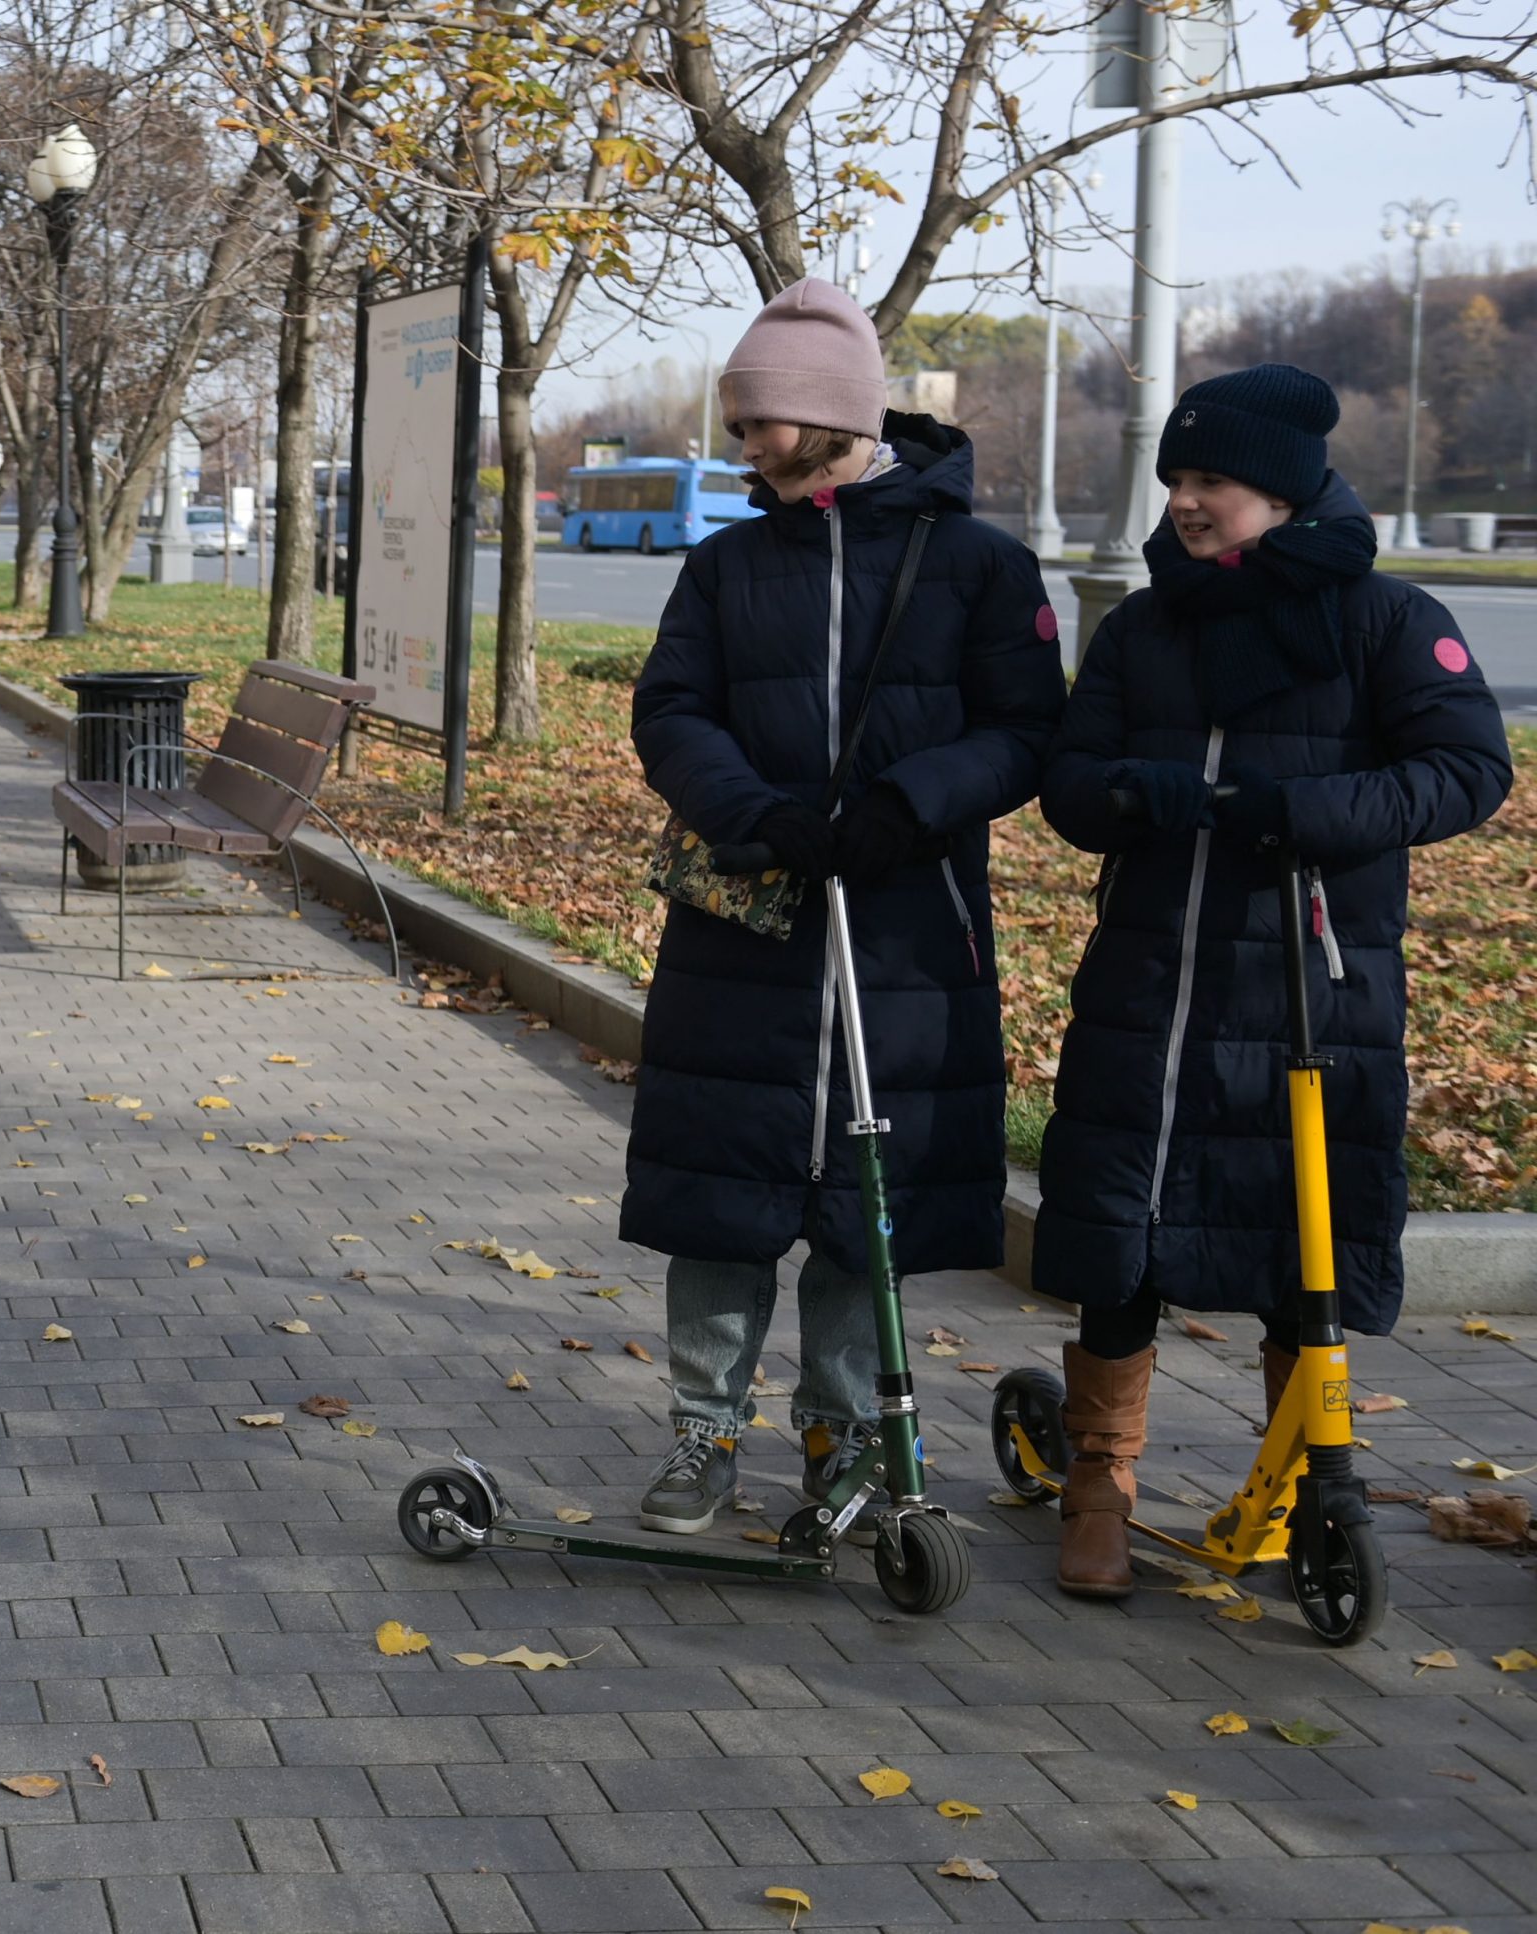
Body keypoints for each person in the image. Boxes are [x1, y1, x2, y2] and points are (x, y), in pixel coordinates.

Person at [1035, 365, 1511, 1600]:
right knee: (1120, 1240)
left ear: (1287, 496)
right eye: (1177, 481)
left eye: (1213, 482)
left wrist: (1299, 810)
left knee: (1298, 1246)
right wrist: (1134, 793)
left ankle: (1303, 1485)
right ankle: (1100, 1477)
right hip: (1152, 982)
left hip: (1311, 989)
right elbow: (1071, 784)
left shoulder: (1384, 620)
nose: (1185, 503)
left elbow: (1466, 769)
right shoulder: (1143, 626)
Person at [624, 279, 1067, 1540]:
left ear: (825, 418)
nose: (742, 446)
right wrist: (751, 809)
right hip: (746, 925)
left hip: (905, 928)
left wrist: (908, 803)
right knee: (720, 1193)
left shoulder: (980, 566)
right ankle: (704, 1432)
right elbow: (669, 711)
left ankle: (837, 1436)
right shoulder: (724, 566)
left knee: (858, 1201)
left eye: (758, 423)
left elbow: (1026, 729)